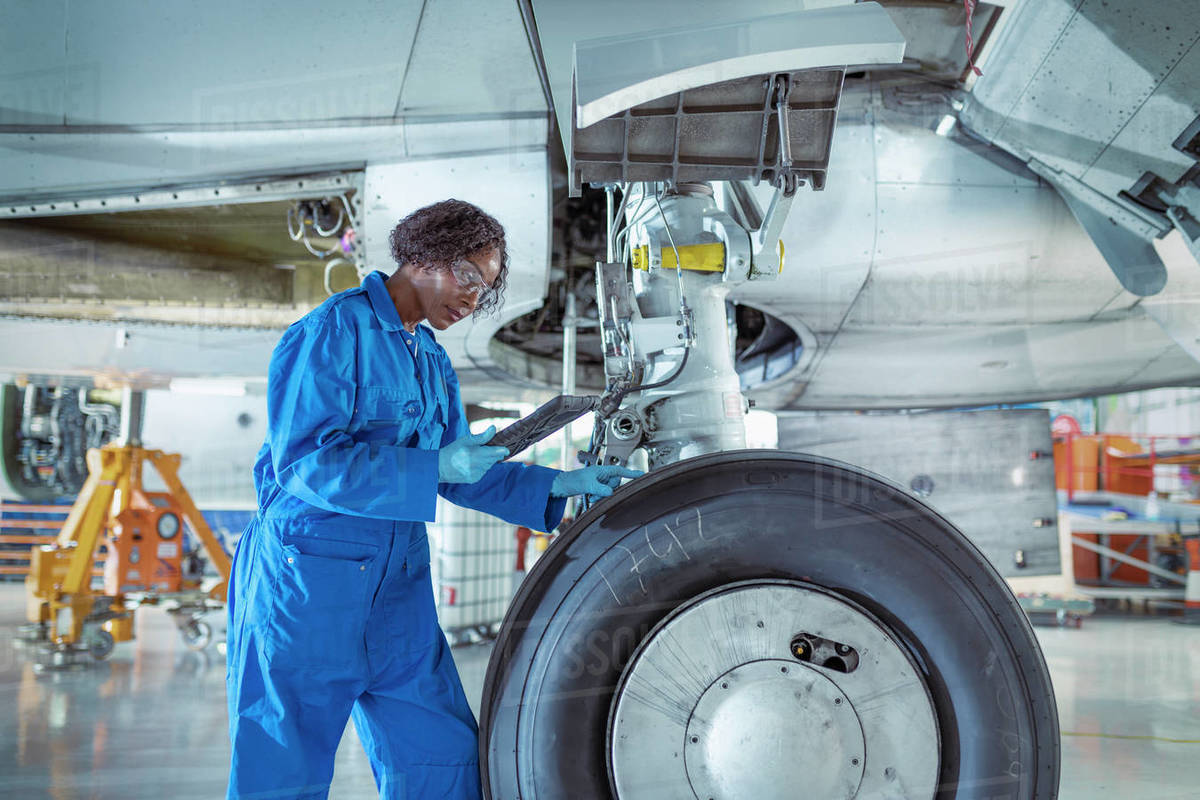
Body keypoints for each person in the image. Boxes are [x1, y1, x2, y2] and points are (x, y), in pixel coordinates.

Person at [225, 199, 639, 799]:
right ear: (422, 255)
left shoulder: (433, 362)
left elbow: (461, 472)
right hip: (310, 592)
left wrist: (557, 484)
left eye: (486, 288)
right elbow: (307, 464)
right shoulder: (331, 333)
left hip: (398, 596)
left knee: (444, 761)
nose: (473, 299)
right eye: (468, 277)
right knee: (282, 769)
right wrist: (433, 463)